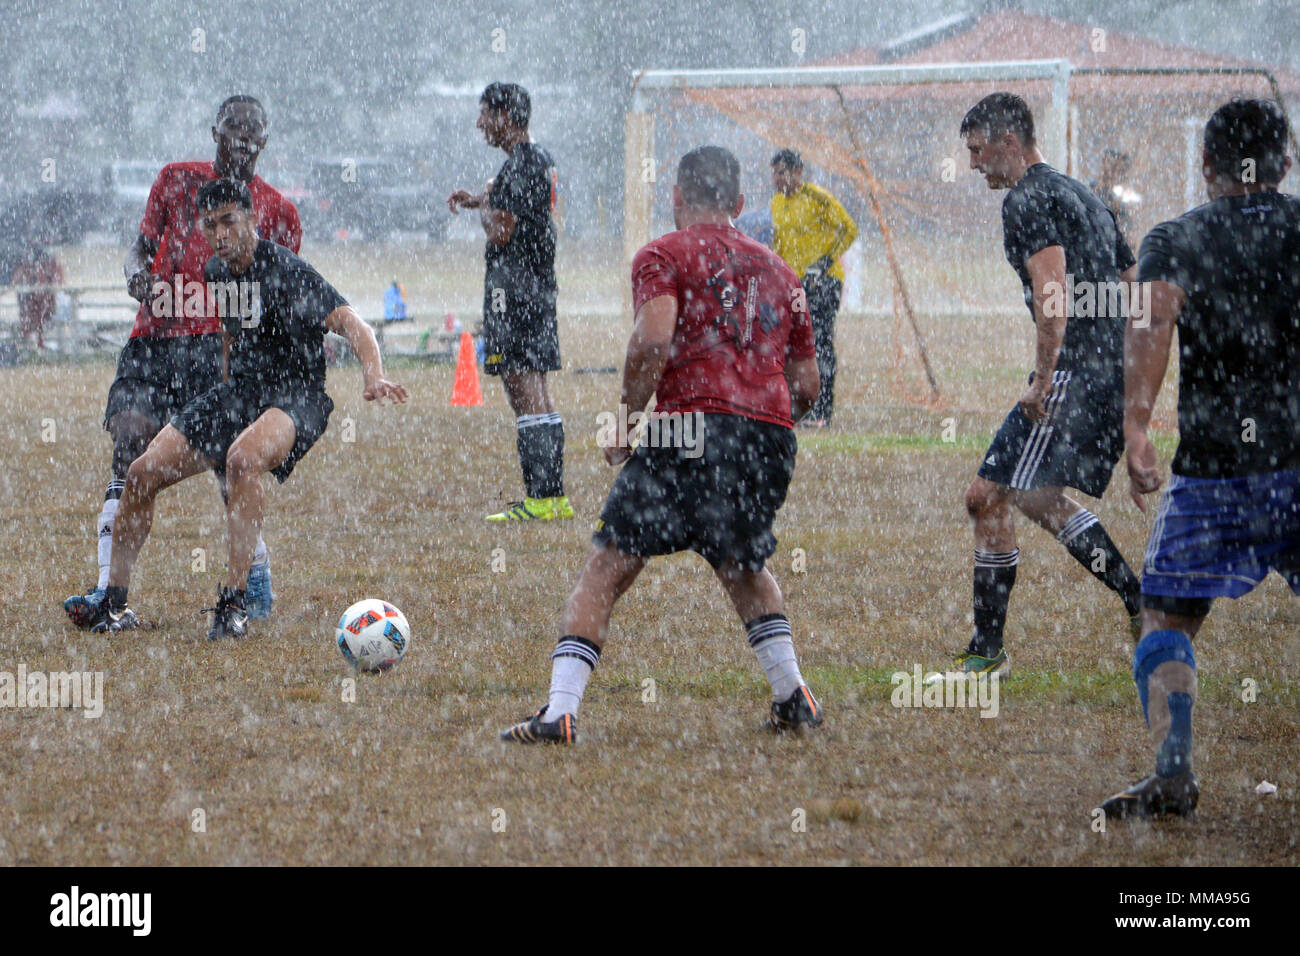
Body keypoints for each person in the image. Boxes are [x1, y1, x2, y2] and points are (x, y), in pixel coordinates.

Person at [500, 145, 823, 744]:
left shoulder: (663, 254)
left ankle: (560, 712)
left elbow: (651, 341)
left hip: (689, 430)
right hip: (769, 438)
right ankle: (794, 696)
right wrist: (764, 425)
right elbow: (807, 384)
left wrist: (626, 419)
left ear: (676, 197)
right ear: (742, 203)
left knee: (605, 570)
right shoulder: (783, 273)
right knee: (742, 564)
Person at [83, 178, 407, 637]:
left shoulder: (286, 270)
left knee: (241, 459)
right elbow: (233, 336)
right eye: (210, 224)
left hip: (296, 396)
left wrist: (373, 374)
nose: (220, 233)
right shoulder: (216, 271)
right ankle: (114, 607)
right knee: (140, 472)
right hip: (240, 392)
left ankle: (232, 606)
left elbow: (352, 322)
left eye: (229, 221)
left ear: (252, 219)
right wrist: (219, 393)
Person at [1102, 99, 1300, 819]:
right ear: (1285, 161)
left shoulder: (1178, 237)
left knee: (1165, 618)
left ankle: (1174, 775)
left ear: (1208, 166)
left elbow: (1152, 318)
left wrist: (1136, 427)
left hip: (1217, 470)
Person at [65, 95, 301, 629]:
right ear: (214, 132)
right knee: (129, 445)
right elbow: (140, 248)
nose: (241, 142)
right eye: (232, 131)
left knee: (230, 468)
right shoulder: (175, 179)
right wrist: (137, 275)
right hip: (155, 341)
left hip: (219, 352)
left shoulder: (279, 210)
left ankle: (254, 584)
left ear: (264, 143)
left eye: (252, 135)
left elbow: (283, 290)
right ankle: (108, 594)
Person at [956, 92, 1143, 675]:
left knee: (985, 496)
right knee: (1034, 495)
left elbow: (1053, 292)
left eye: (978, 150)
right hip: (1102, 373)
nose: (973, 164)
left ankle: (988, 655)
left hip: (1070, 374)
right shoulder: (1085, 194)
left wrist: (1043, 378)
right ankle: (1139, 601)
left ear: (1009, 142)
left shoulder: (1027, 199)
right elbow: (1135, 285)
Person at [447, 82, 572, 522]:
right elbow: (525, 206)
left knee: (522, 385)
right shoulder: (538, 159)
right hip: (537, 286)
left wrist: (486, 205)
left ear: (506, 116)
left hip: (514, 292)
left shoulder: (519, 166)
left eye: (485, 113)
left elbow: (501, 229)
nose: (480, 123)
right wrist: (483, 196)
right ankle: (554, 497)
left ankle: (539, 498)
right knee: (538, 386)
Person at [769, 148, 857, 427]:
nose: (776, 178)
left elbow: (848, 229)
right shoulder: (776, 204)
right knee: (788, 344)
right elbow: (779, 247)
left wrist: (825, 262)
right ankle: (794, 407)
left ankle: (821, 411)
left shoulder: (817, 198)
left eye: (781, 172)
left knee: (819, 343)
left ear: (797, 172)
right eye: (773, 173)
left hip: (824, 281)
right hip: (794, 287)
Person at [12, 238, 63, 350]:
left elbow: (58, 282)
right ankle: (31, 340)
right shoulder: (27, 271)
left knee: (36, 310)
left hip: (41, 304)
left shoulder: (46, 270)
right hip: (34, 302)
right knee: (33, 310)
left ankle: (33, 340)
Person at [1090, 148, 1142, 243]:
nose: (1110, 173)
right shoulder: (1092, 192)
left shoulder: (1124, 198)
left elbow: (1129, 234)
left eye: (1115, 169)